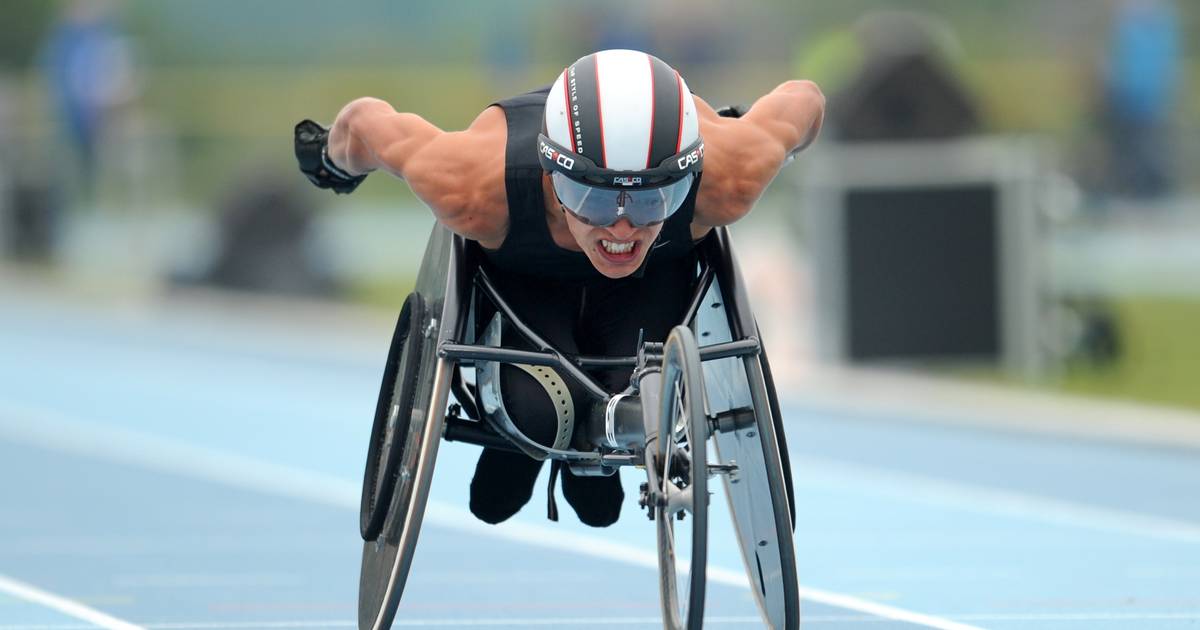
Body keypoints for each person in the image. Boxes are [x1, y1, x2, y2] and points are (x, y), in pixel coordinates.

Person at [295, 49, 823, 527]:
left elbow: (806, 101)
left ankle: (588, 459)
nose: (621, 229)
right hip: (525, 283)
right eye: (593, 199)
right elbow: (367, 124)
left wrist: (754, 136)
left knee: (639, 411)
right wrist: (330, 160)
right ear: (552, 173)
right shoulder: (469, 183)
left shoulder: (728, 174)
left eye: (648, 200)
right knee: (540, 415)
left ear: (684, 178)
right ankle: (520, 442)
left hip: (655, 278)